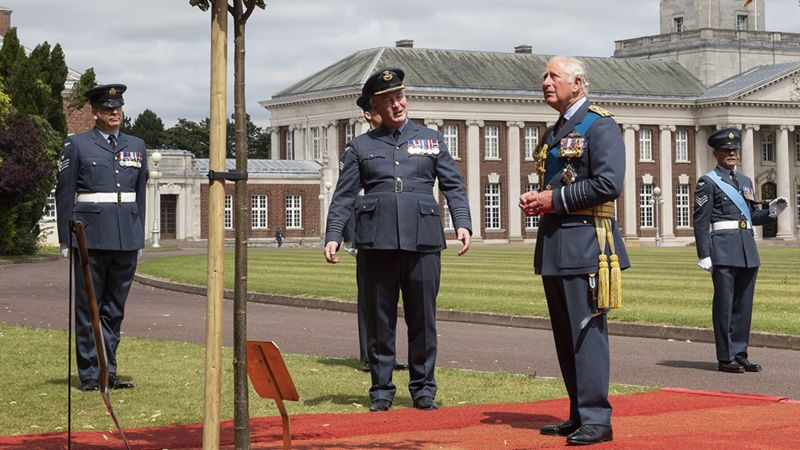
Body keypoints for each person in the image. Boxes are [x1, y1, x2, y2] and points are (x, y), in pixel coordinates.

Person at [323, 68, 472, 412]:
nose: (397, 104)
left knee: (423, 317)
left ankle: (423, 389)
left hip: (424, 242)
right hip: (376, 242)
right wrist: (333, 234)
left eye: (400, 97)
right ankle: (381, 389)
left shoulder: (431, 139)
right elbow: (344, 196)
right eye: (388, 100)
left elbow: (453, 185)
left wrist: (462, 222)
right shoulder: (360, 146)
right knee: (380, 319)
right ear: (374, 107)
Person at [519, 56, 628, 446]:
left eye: (554, 76)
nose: (545, 81)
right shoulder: (555, 131)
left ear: (578, 83)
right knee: (566, 335)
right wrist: (540, 200)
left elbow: (608, 184)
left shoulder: (600, 126)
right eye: (544, 76)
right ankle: (579, 412)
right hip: (556, 244)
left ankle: (598, 418)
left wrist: (553, 200)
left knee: (586, 334)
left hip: (588, 245)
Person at [56, 83, 147, 391]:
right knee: (89, 307)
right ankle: (91, 374)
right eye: (108, 110)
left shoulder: (137, 145)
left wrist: (140, 235)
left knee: (114, 309)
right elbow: (65, 192)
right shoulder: (78, 145)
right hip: (90, 238)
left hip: (125, 238)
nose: (115, 113)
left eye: (118, 108)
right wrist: (65, 240)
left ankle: (109, 369)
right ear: (94, 113)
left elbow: (139, 196)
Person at [693, 127, 787, 374]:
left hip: (747, 248)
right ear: (717, 153)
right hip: (723, 249)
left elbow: (750, 216)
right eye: (726, 150)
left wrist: (772, 212)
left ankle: (740, 353)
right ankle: (725, 357)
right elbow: (701, 220)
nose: (732, 154)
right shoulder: (708, 182)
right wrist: (704, 254)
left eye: (734, 150)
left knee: (744, 306)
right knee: (724, 305)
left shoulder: (745, 181)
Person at [345, 95, 409, 374]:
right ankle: (370, 355)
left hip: (393, 232)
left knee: (389, 300)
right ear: (369, 116)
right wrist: (352, 238)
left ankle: (385, 355)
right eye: (378, 111)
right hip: (368, 234)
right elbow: (347, 197)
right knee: (370, 300)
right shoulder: (358, 148)